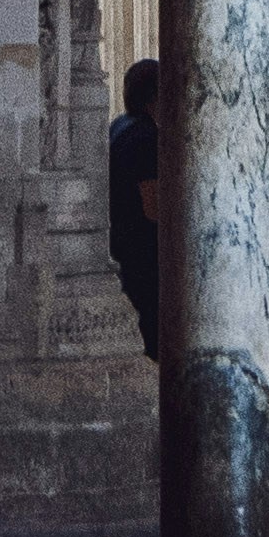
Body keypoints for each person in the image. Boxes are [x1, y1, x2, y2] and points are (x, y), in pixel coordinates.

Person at [108, 59, 166, 362]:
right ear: (156, 94)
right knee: (152, 331)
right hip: (142, 249)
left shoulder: (119, 125)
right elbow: (153, 206)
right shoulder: (145, 137)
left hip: (119, 241)